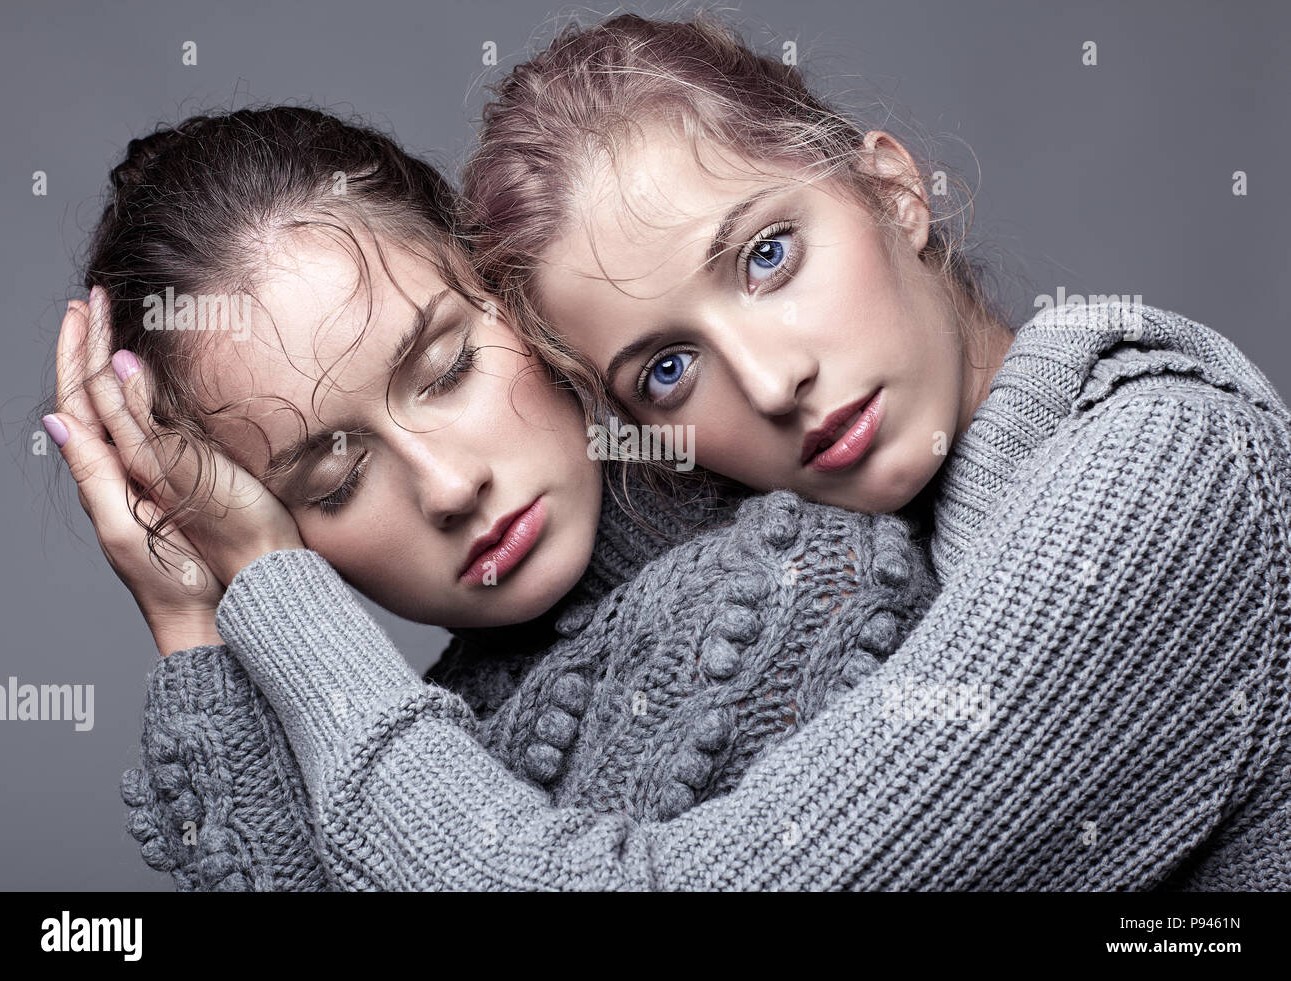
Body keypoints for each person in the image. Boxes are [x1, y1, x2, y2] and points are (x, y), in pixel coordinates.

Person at [134, 14, 1288, 889]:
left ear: (891, 190)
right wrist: (196, 621)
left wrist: (277, 597)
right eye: (669, 369)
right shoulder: (797, 545)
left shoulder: (1165, 468)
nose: (774, 383)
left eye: (767, 257)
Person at [45, 106, 939, 890]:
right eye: (336, 480)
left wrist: (271, 591)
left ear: (507, 289)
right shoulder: (431, 723)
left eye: (447, 370)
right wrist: (193, 615)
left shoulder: (804, 581)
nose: (448, 486)